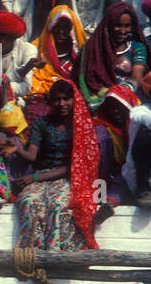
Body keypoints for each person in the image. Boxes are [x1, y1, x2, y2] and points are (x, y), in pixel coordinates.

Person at [14, 79, 100, 250]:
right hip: (41, 176)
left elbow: (76, 166)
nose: (61, 104)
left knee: (58, 205)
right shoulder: (42, 123)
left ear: (75, 99)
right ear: (50, 101)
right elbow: (32, 155)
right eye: (57, 99)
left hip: (68, 178)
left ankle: (56, 256)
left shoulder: (81, 125)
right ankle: (34, 257)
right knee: (28, 201)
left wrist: (36, 177)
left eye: (66, 99)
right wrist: (15, 148)